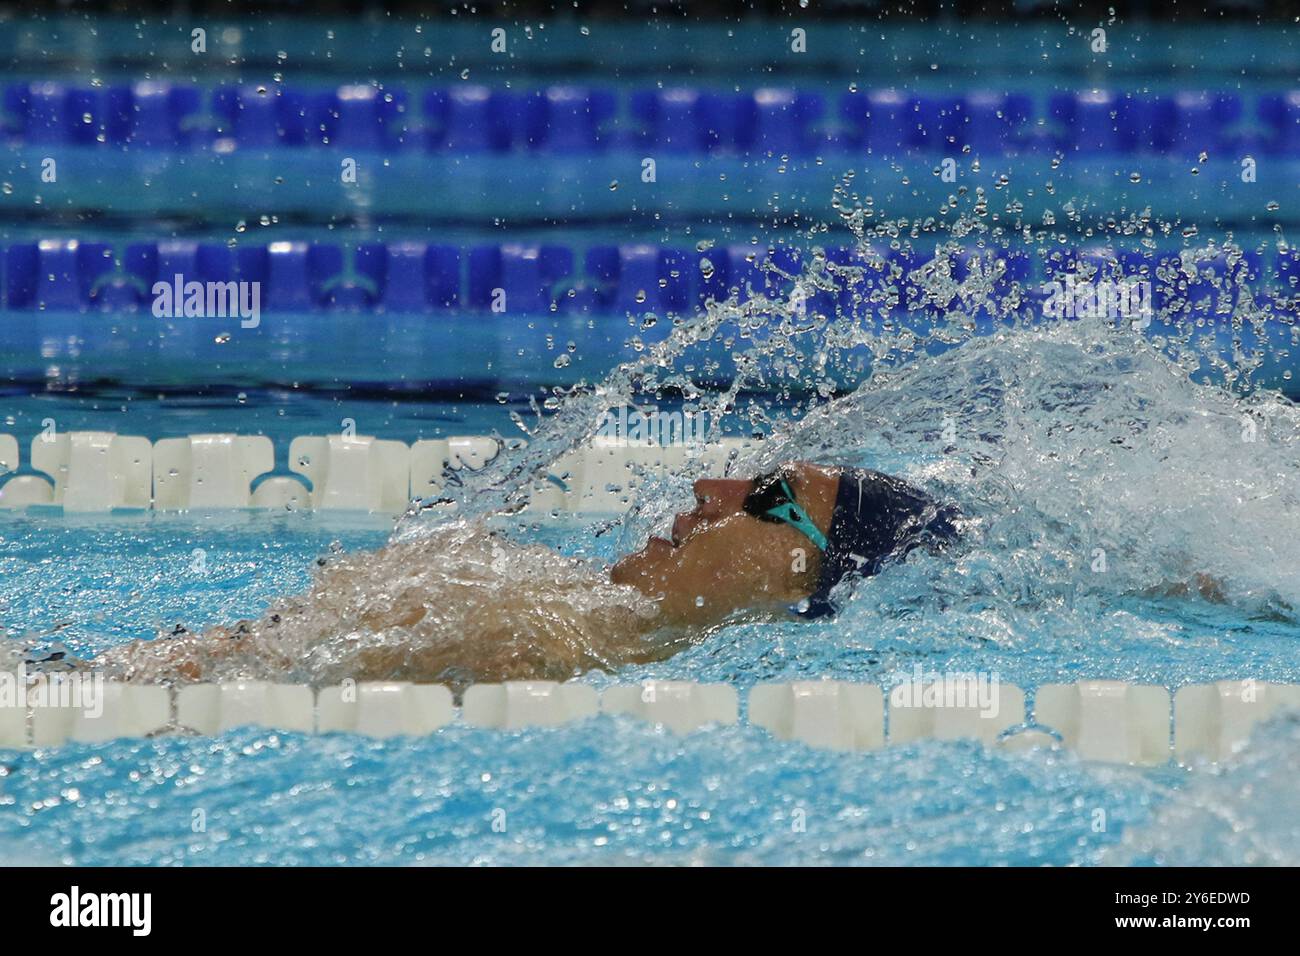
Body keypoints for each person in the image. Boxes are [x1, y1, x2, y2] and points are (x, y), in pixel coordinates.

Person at [87, 461, 960, 688]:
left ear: (794, 580)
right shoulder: (558, 613)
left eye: (769, 496)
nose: (710, 490)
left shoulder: (535, 645)